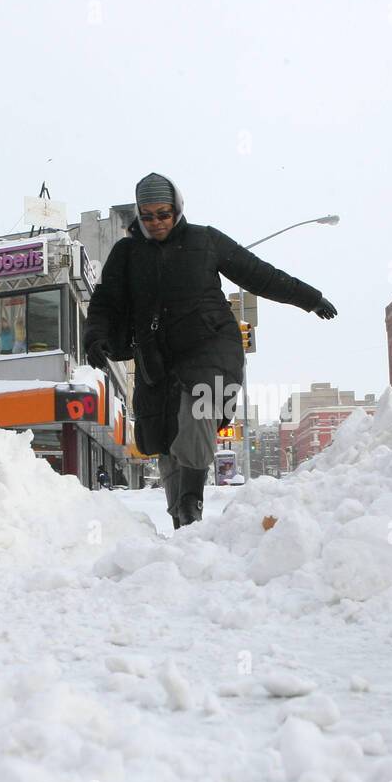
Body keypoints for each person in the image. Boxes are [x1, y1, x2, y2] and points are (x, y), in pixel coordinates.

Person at [84, 172, 337, 528]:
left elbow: (258, 275)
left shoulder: (205, 241)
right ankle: (185, 526)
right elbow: (105, 303)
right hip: (155, 358)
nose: (156, 222)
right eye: (148, 216)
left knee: (198, 406)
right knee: (164, 438)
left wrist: (309, 298)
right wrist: (95, 337)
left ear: (178, 209)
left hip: (211, 345)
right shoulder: (126, 254)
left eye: (164, 214)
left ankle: (191, 501)